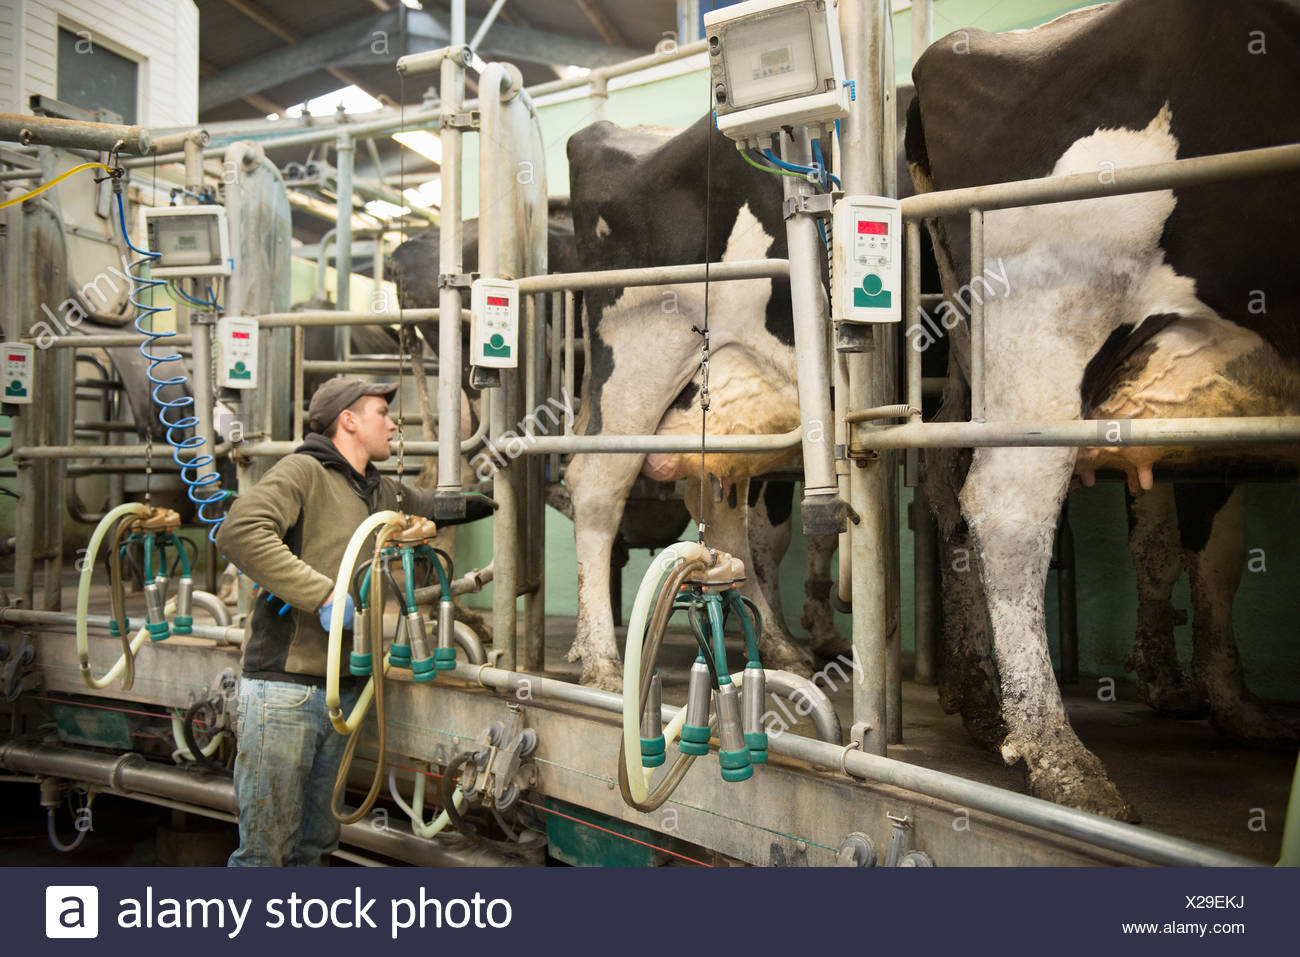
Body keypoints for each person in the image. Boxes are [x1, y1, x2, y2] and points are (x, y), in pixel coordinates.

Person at [217, 376, 487, 866]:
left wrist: (491, 496)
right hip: (285, 689)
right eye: (381, 412)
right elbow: (239, 531)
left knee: (315, 846)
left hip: (345, 690)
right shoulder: (302, 472)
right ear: (348, 420)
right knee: (265, 854)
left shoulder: (377, 491)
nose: (392, 422)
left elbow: (428, 506)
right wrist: (322, 595)